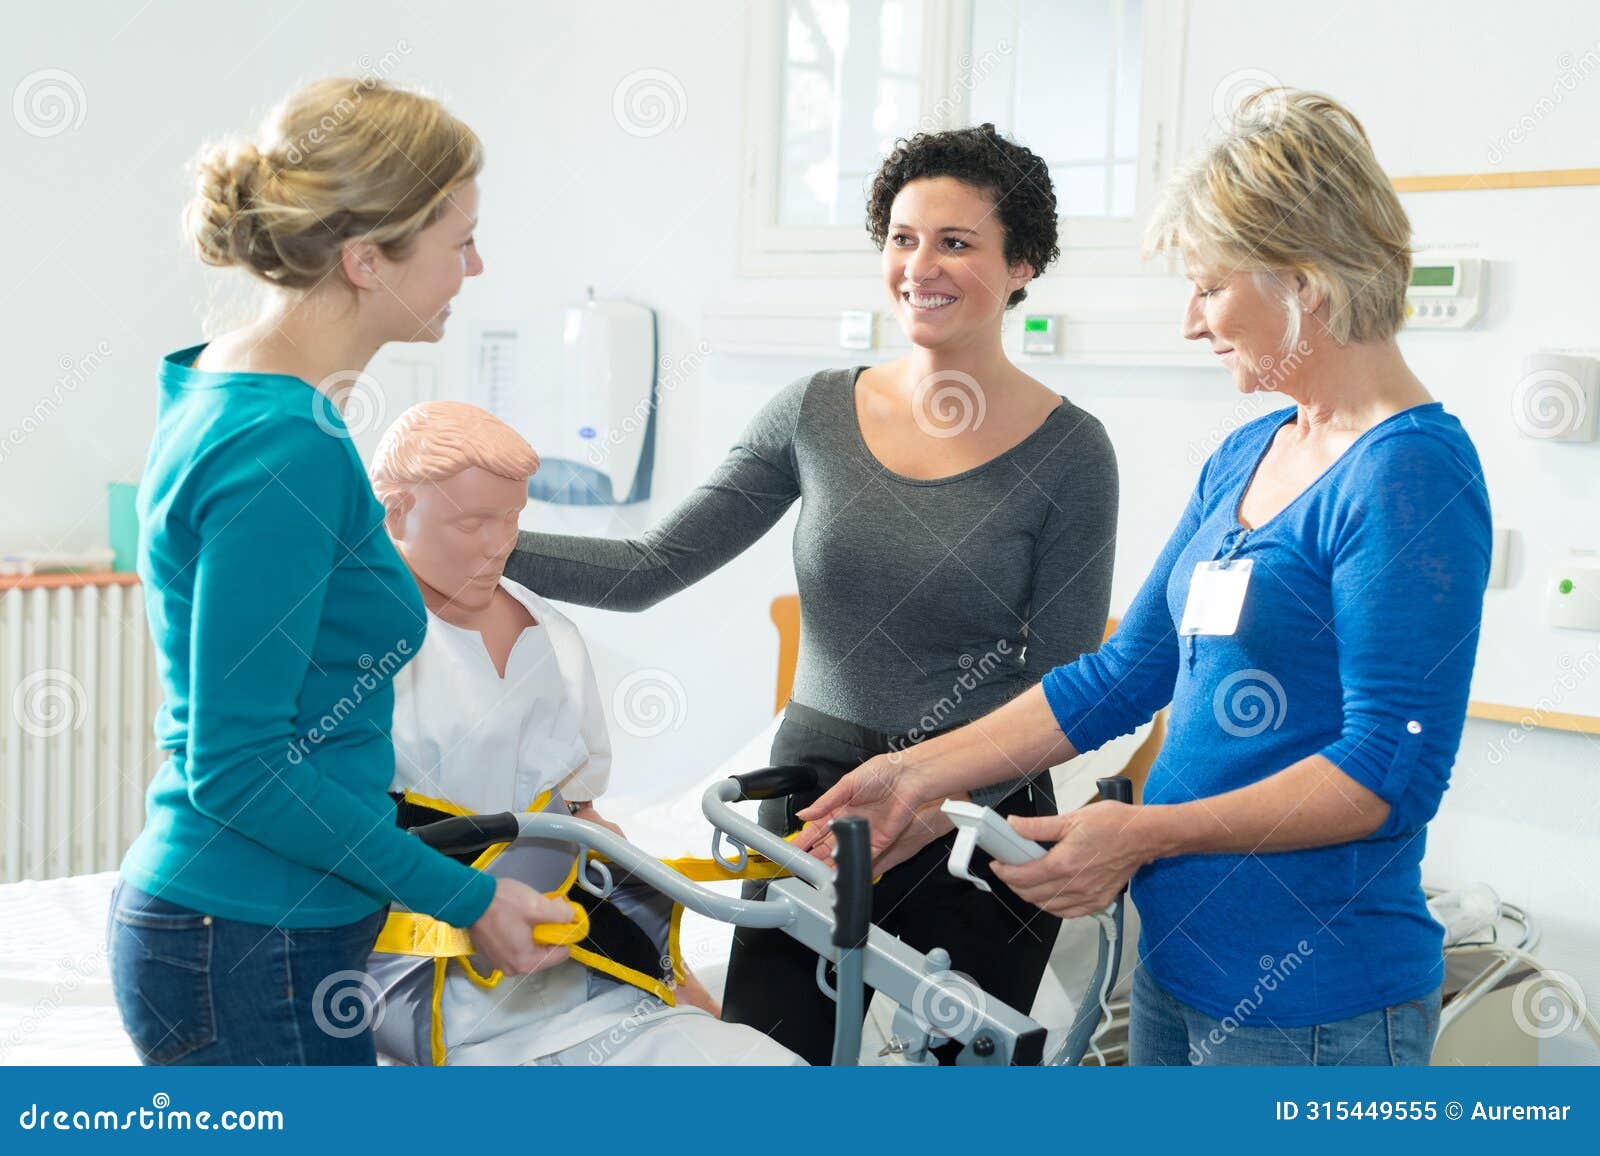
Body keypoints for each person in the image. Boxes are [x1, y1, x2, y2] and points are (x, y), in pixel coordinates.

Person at [797, 89, 1492, 1067]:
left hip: (1315, 1001)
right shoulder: (1251, 450)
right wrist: (915, 772)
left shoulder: (1408, 473)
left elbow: (1388, 772)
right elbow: (1126, 671)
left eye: (1208, 288)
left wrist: (1142, 833)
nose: (1191, 324)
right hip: (1180, 968)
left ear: (1301, 279)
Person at [505, 124, 1119, 1063]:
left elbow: (1065, 684)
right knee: (770, 1076)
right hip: (813, 811)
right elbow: (648, 569)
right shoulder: (815, 412)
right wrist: (464, 541)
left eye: (957, 242)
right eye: (904, 238)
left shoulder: (1071, 453)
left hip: (972, 823)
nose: (922, 266)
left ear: (1022, 264)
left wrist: (927, 796)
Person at [110, 78, 568, 1067]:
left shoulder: (231, 388)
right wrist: (469, 899)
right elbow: (236, 764)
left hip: (253, 925)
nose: (473, 267)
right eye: (458, 242)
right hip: (247, 933)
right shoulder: (285, 447)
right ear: (367, 260)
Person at [363, 400, 800, 1065]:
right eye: (472, 522)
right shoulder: (353, 645)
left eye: (512, 519)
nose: (499, 544)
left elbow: (586, 825)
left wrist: (671, 982)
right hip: (421, 991)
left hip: (581, 983)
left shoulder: (553, 637)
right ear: (395, 511)